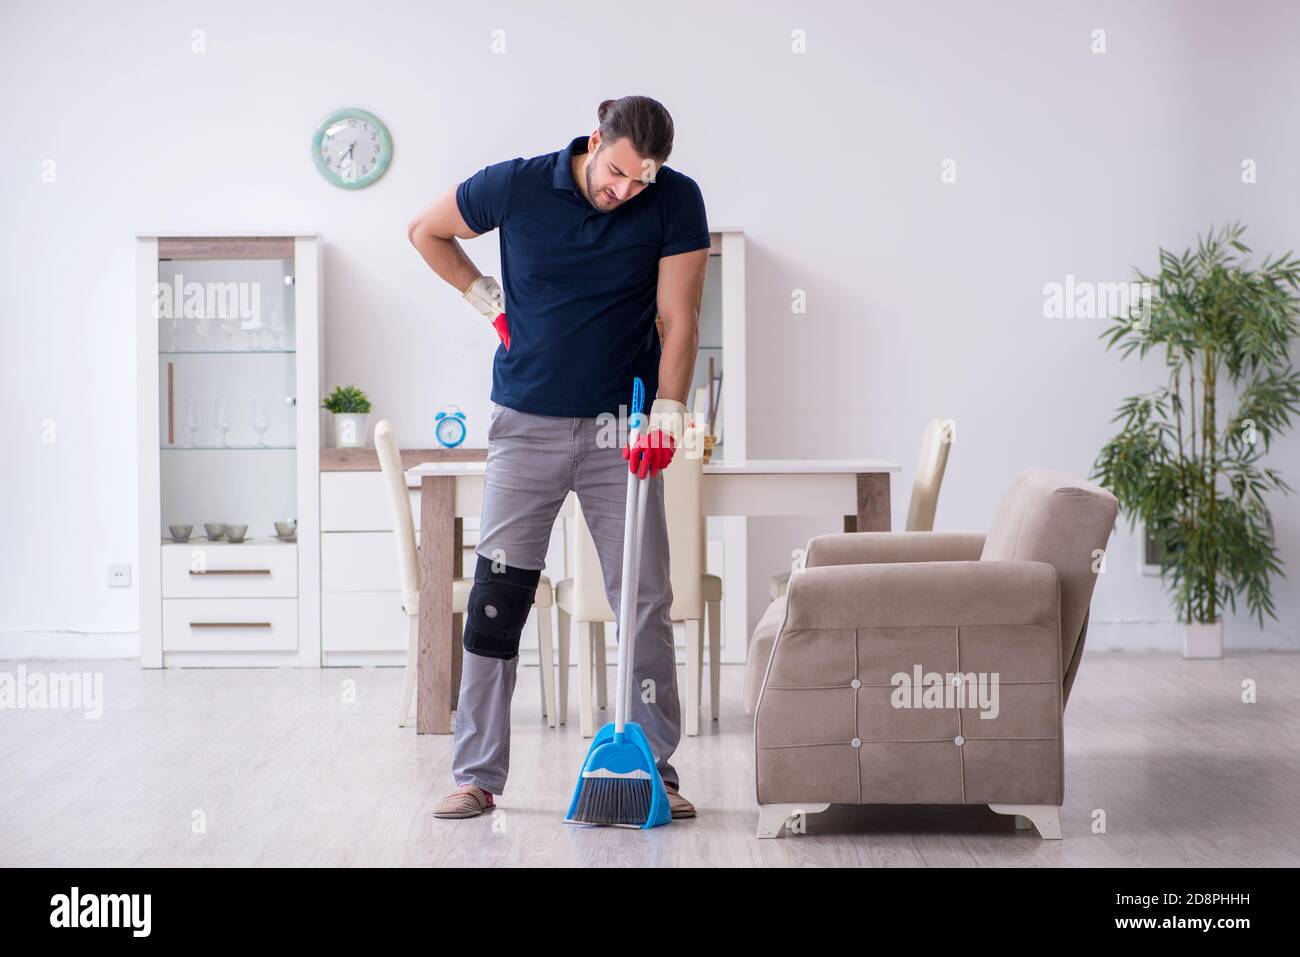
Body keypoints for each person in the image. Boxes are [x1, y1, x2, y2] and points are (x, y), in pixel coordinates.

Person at [406, 95, 710, 820]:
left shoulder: (676, 201)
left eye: (642, 180)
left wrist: (667, 410)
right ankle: (477, 774)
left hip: (620, 429)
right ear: (594, 139)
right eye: (617, 172)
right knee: (496, 598)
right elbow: (426, 231)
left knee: (643, 598)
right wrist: (482, 296)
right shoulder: (516, 185)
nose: (625, 191)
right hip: (525, 426)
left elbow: (680, 316)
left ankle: (653, 769)